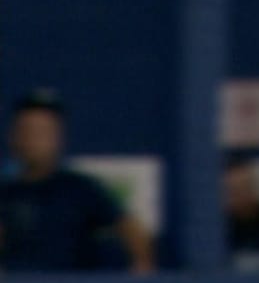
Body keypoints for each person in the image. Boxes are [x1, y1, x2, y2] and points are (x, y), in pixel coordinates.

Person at [0, 88, 155, 273]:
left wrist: (143, 267)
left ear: (58, 138)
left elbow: (129, 227)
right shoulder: (6, 192)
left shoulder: (80, 189)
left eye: (43, 132)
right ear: (14, 137)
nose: (34, 140)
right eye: (27, 131)